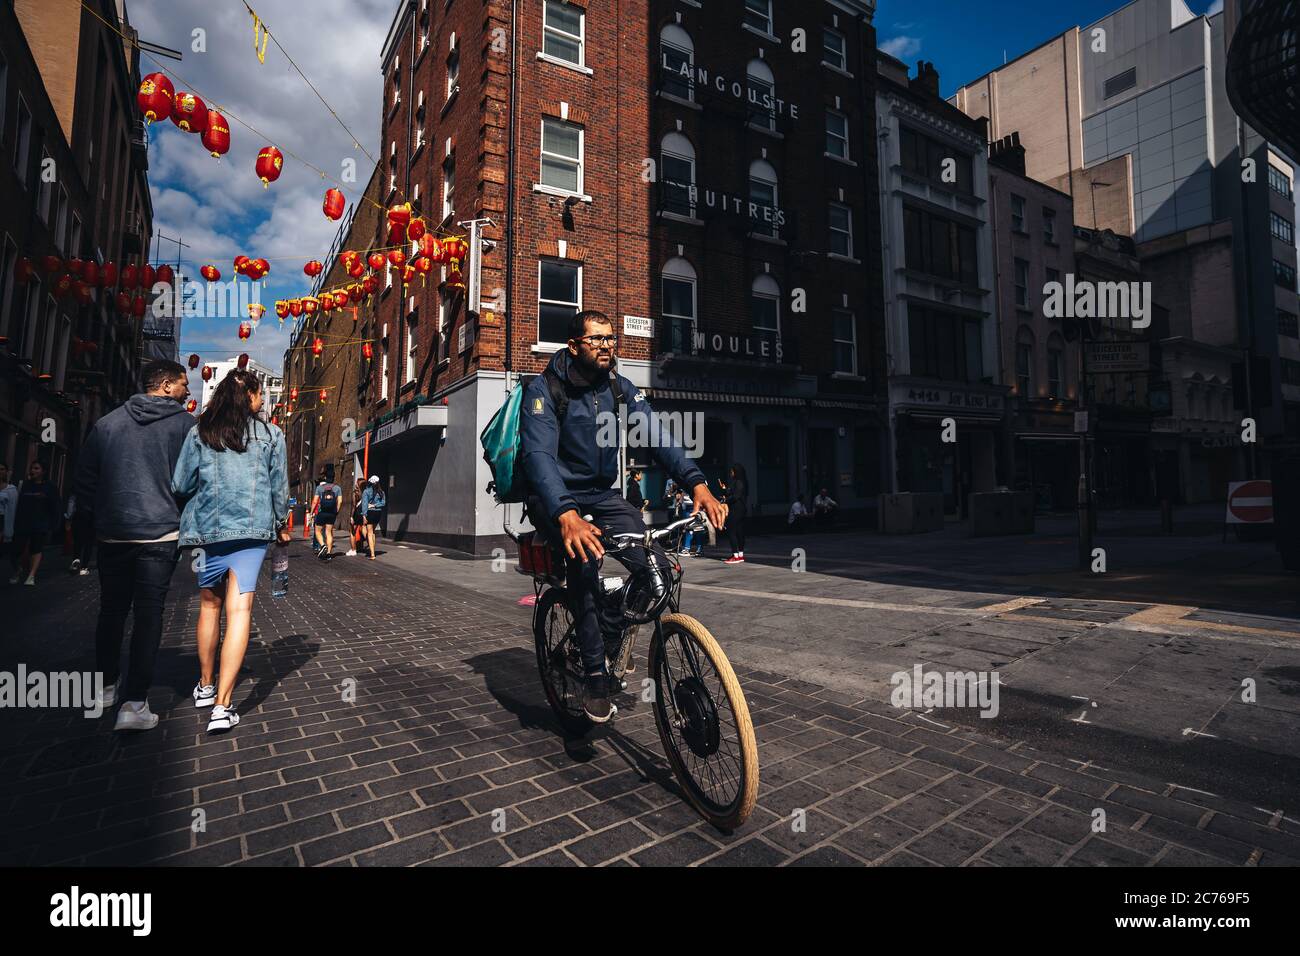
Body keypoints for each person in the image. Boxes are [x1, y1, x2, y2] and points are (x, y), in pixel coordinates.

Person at [519, 309, 727, 723]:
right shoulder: (544, 390)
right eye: (596, 340)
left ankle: (609, 627)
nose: (606, 347)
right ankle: (594, 674)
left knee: (658, 570)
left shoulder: (617, 386)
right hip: (556, 498)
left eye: (611, 339)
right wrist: (565, 514)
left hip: (601, 495)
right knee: (585, 559)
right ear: (574, 346)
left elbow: (656, 434)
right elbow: (538, 457)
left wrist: (696, 483)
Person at [75, 359, 196, 731]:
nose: (188, 391)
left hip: (113, 534)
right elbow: (192, 481)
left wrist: (104, 517)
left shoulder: (106, 424)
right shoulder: (186, 427)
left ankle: (105, 687)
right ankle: (134, 703)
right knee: (148, 615)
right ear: (164, 385)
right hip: (160, 534)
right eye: (182, 384)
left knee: (111, 611)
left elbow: (85, 481)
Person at [172, 368, 290, 734]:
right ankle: (223, 708)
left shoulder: (200, 433)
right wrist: (281, 522)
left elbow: (180, 483)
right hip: (252, 533)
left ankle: (205, 686)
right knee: (240, 612)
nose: (262, 402)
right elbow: (278, 490)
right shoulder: (272, 435)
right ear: (251, 396)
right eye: (259, 396)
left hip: (209, 533)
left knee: (209, 606)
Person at [9, 461, 62, 586]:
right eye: (32, 468)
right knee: (15, 551)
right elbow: (19, 505)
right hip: (23, 522)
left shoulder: (50, 487)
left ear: (43, 471)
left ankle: (31, 575)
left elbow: (55, 506)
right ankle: (18, 570)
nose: (33, 470)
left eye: (36, 468)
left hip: (40, 523)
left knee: (36, 549)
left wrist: (54, 524)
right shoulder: (25, 485)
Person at [722, 464, 749, 564]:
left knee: (731, 531)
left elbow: (735, 496)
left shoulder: (738, 483)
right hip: (741, 509)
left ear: (736, 472)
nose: (731, 473)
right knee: (739, 531)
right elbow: (733, 494)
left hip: (736, 509)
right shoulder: (743, 482)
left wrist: (726, 500)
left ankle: (735, 555)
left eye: (732, 471)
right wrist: (725, 489)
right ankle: (740, 555)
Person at [311, 470, 342, 560]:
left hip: (322, 512)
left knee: (317, 531)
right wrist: (336, 511)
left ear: (325, 477)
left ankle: (322, 545)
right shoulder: (337, 488)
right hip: (332, 513)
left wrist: (312, 511)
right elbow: (340, 501)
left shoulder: (320, 488)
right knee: (329, 532)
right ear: (333, 478)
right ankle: (328, 553)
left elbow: (315, 501)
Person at [65, 492, 95, 575]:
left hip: (79, 514)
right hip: (92, 515)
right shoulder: (97, 484)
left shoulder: (78, 485)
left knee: (78, 541)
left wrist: (68, 517)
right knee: (89, 543)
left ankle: (76, 562)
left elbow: (71, 502)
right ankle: (84, 567)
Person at [358, 476, 386, 560]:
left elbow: (364, 504)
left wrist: (364, 515)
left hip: (370, 512)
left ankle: (372, 554)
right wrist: (375, 505)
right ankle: (372, 550)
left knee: (369, 533)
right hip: (378, 513)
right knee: (373, 532)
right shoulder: (381, 492)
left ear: (369, 482)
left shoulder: (366, 491)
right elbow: (383, 503)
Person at [0, 464, 17, 579]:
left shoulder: (11, 489)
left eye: (2, 469)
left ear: (6, 472)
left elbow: (13, 508)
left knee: (7, 551)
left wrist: (9, 529)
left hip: (2, 519)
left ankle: (16, 569)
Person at [346, 478, 366, 556]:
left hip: (356, 512)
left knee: (352, 532)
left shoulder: (355, 493)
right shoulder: (366, 492)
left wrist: (351, 516)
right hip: (363, 512)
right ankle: (371, 546)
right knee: (364, 529)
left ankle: (353, 550)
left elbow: (354, 506)